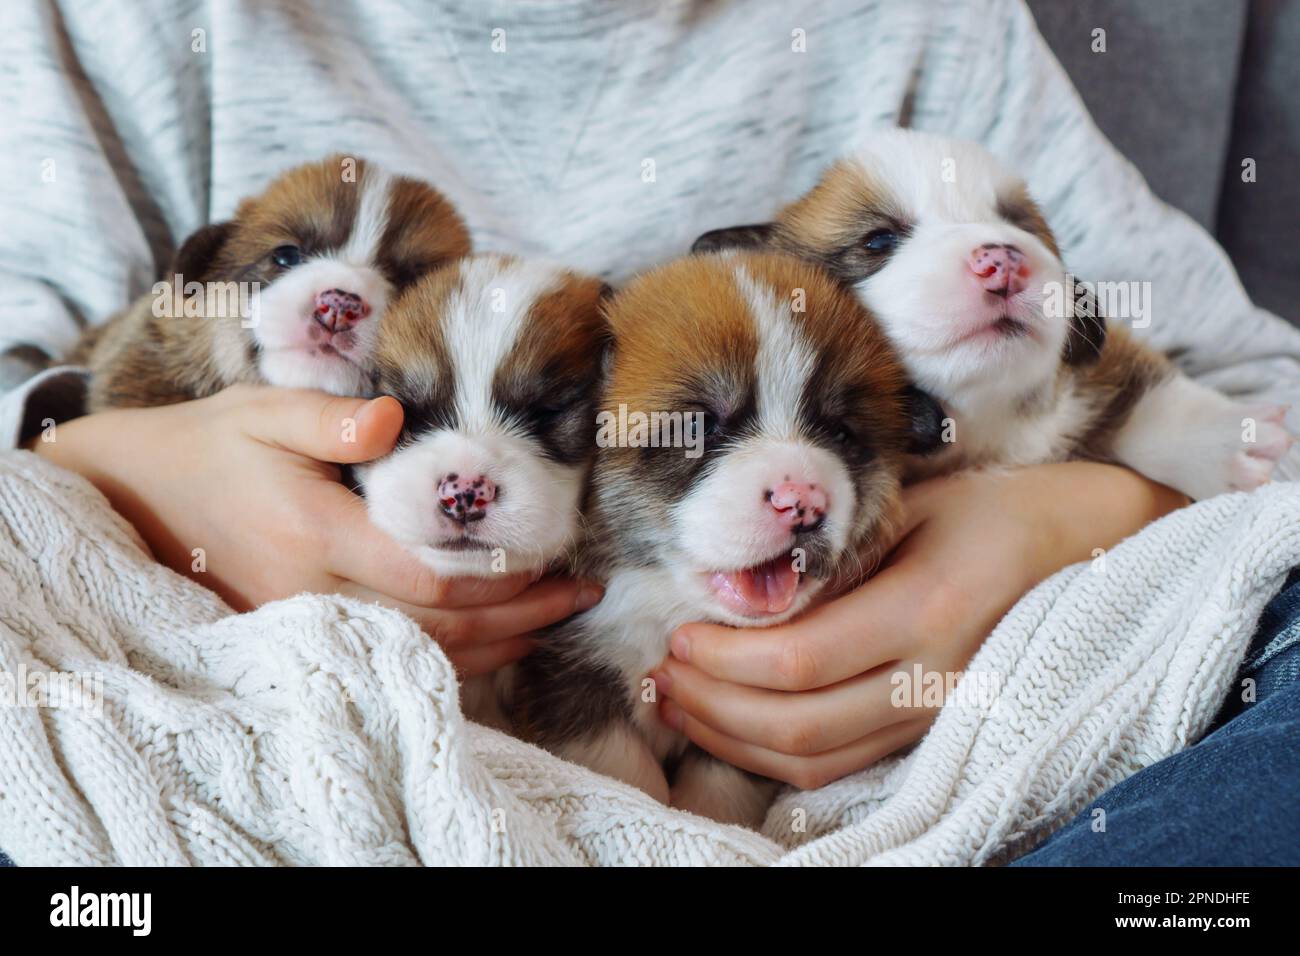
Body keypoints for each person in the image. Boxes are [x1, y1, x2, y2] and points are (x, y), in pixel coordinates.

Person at [1, 0, 1296, 861]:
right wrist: (105, 459)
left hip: (936, 731)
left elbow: (1256, 410)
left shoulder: (925, 24)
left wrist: (1086, 519)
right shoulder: (130, 22)